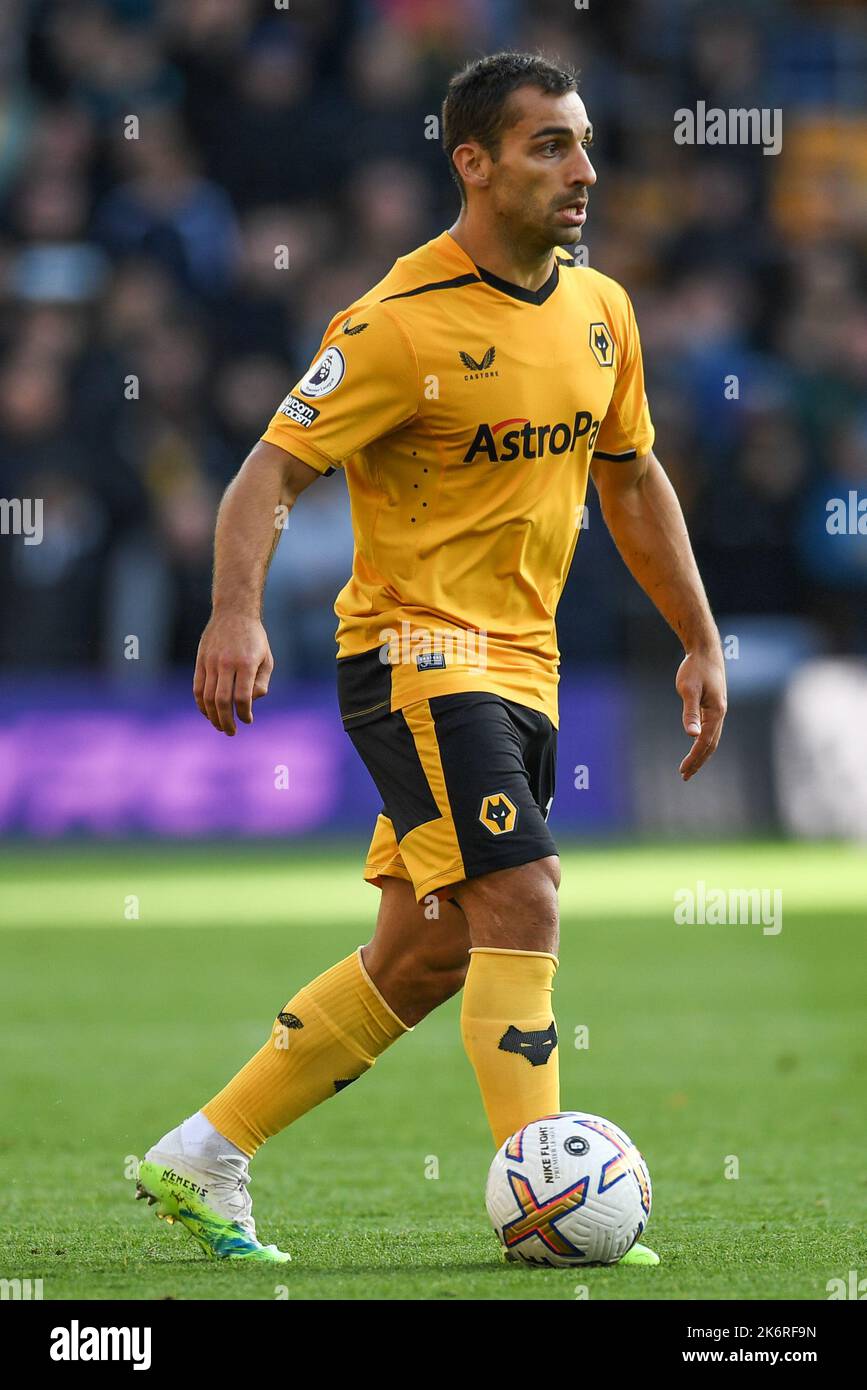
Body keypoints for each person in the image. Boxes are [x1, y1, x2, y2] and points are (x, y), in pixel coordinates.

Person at [136, 52, 726, 1266]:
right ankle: (550, 1201)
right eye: (549, 146)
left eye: (582, 142)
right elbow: (267, 472)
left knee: (427, 952)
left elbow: (631, 477)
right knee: (526, 897)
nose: (584, 170)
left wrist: (699, 634)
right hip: (414, 656)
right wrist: (235, 614)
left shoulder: (602, 310)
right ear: (474, 161)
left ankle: (204, 1150)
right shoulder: (395, 326)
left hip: (525, 666)